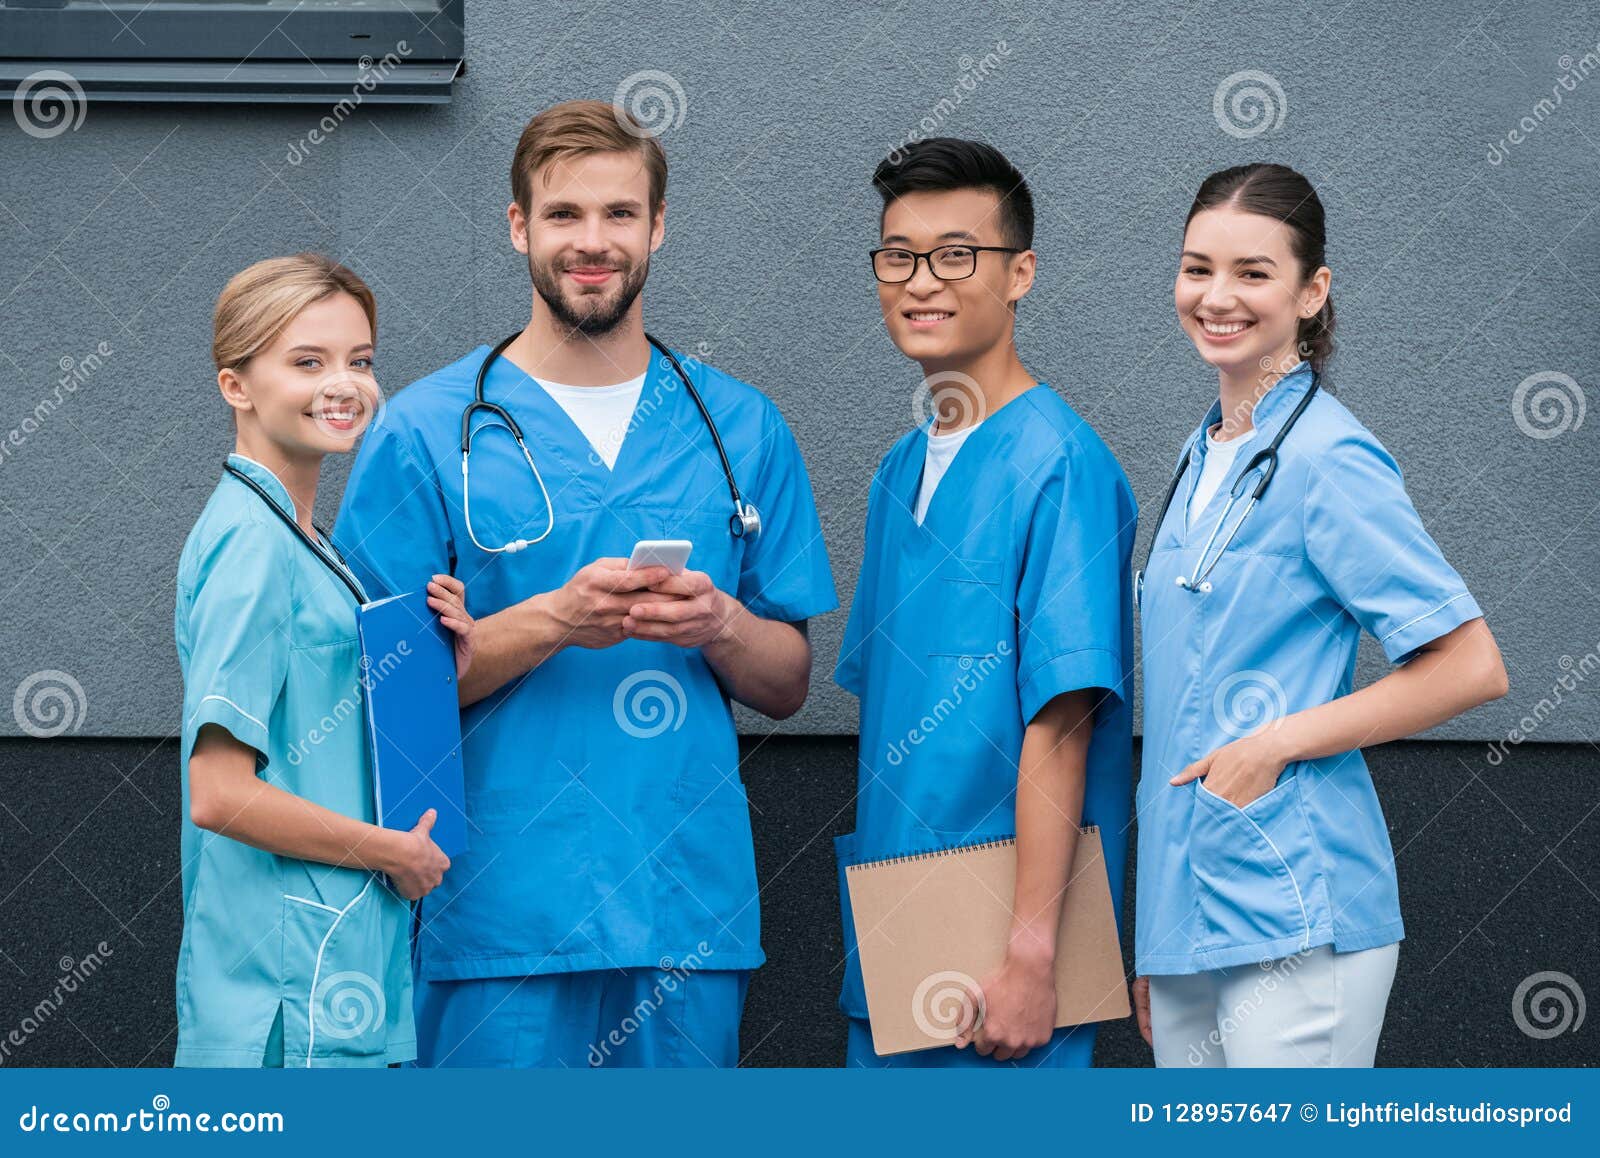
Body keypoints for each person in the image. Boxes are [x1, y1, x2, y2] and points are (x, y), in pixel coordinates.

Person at [331, 100, 837, 1068]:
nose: (592, 242)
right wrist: (553, 620)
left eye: (618, 214)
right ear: (518, 227)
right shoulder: (428, 430)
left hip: (680, 912)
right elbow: (380, 696)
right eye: (563, 215)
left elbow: (785, 684)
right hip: (495, 916)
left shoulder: (739, 426)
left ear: (657, 227)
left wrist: (722, 622)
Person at [1130, 163, 1509, 1067]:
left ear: (1312, 293)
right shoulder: (1203, 455)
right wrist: (1158, 931)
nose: (1216, 297)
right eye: (1197, 268)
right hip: (1189, 913)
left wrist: (1274, 744)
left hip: (1296, 905)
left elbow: (1471, 665)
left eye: (1253, 274)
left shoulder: (1331, 458)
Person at [833, 138, 1137, 1067]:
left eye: (957, 254)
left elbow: (1065, 718)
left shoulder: (1060, 465)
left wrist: (1033, 954)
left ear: (1021, 274)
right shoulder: (900, 471)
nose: (921, 281)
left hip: (1003, 953)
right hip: (898, 924)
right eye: (898, 255)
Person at [176, 254, 473, 1067]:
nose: (344, 384)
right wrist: (392, 851)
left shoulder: (302, 541)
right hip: (282, 996)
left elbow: (326, 715)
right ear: (236, 386)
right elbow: (220, 793)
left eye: (361, 360)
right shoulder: (250, 547)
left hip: (329, 970)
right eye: (307, 362)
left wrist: (431, 655)